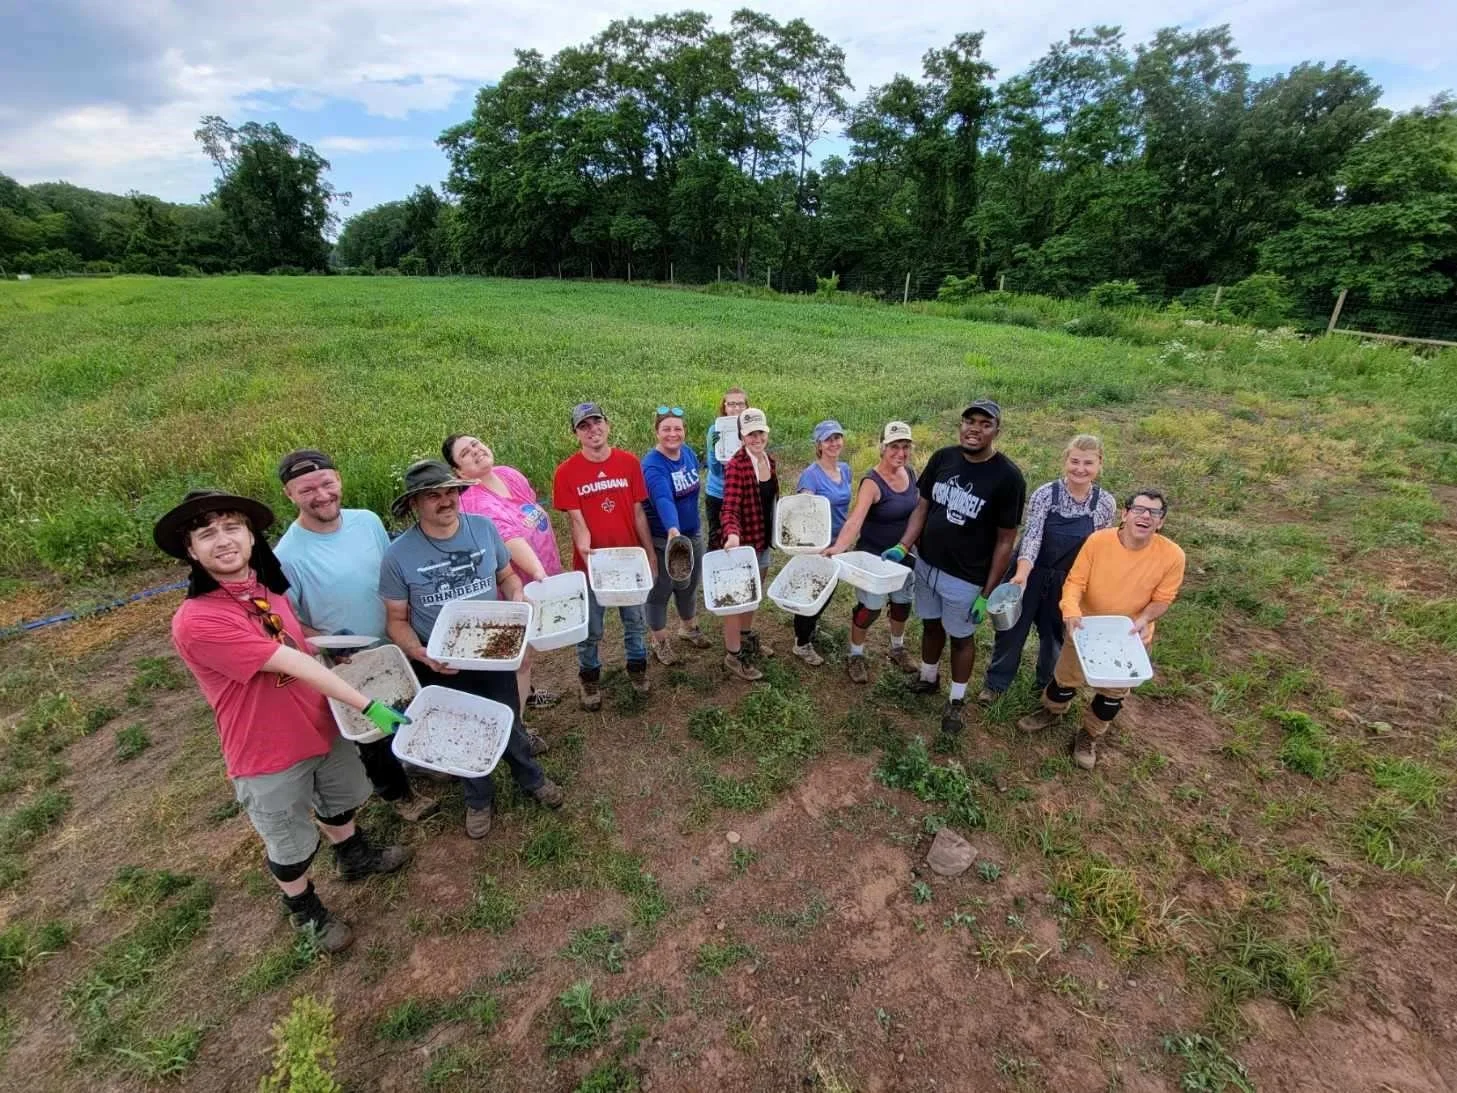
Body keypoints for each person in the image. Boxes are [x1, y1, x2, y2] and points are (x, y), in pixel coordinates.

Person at [158, 488, 413, 953]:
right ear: (190, 551)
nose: (223, 540)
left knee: (342, 798)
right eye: (207, 533)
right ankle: (303, 907)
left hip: (319, 723)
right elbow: (287, 663)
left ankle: (353, 854)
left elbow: (296, 646)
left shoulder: (265, 591)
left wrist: (329, 648)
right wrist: (368, 704)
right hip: (267, 750)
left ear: (252, 537)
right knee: (290, 842)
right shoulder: (198, 620)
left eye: (233, 527)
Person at [379, 461, 564, 839]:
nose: (446, 501)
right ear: (415, 503)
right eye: (434, 495)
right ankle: (478, 798)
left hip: (494, 645)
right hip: (440, 656)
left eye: (450, 492)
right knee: (460, 728)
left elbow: (507, 576)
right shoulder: (399, 555)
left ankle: (530, 777)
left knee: (507, 716)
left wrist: (517, 598)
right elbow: (396, 620)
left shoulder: (483, 529)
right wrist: (420, 653)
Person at [274, 448, 438, 824]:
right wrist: (325, 643)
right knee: (373, 734)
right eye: (306, 489)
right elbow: (288, 624)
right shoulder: (286, 556)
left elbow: (392, 575)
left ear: (339, 480)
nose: (321, 495)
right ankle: (398, 793)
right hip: (350, 661)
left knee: (412, 704)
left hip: (398, 640)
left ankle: (416, 760)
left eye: (327, 483)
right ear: (289, 495)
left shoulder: (366, 522)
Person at [1017, 490, 1186, 770]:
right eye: (1139, 509)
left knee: (1112, 696)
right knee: (1063, 681)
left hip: (1129, 634)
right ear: (1125, 514)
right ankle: (1052, 711)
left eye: (1154, 513)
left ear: (1161, 522)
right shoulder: (1098, 541)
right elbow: (1075, 581)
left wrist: (1144, 619)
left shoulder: (1173, 556)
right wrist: (1070, 609)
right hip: (1086, 626)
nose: (1145, 516)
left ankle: (1089, 735)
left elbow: (1162, 600)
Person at [891, 399, 1026, 736]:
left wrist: (987, 592)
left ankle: (956, 700)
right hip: (927, 565)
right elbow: (923, 507)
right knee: (931, 626)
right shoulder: (943, 458)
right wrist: (904, 545)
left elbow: (1006, 540)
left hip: (966, 579)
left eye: (985, 424)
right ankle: (928, 677)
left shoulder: (1008, 478)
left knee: (962, 639)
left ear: (997, 430)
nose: (974, 429)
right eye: (969, 421)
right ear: (960, 424)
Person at [979, 435, 1117, 704]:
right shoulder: (1046, 494)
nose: (1080, 468)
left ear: (1099, 464)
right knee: (1011, 632)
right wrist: (1021, 574)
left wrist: (1087, 589)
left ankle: (1045, 684)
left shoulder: (1104, 504)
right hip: (1032, 571)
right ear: (1065, 460)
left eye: (1088, 463)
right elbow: (1032, 537)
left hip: (1069, 581)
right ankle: (996, 683)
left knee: (1054, 636)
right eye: (1074, 461)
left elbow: (1096, 550)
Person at [443, 432, 564, 712]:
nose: (475, 451)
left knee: (529, 648)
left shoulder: (508, 474)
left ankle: (528, 693)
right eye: (465, 453)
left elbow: (531, 508)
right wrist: (541, 575)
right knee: (519, 656)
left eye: (475, 444)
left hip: (538, 576)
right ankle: (518, 725)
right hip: (515, 586)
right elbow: (510, 542)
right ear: (458, 470)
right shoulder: (473, 501)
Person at [551, 402, 658, 709]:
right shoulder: (566, 472)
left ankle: (637, 669)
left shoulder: (628, 463)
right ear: (576, 434)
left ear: (607, 425)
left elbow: (639, 512)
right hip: (592, 564)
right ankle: (589, 679)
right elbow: (576, 518)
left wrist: (649, 553)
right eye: (584, 426)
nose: (592, 429)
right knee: (591, 629)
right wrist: (585, 547)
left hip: (628, 559)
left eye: (596, 422)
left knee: (635, 621)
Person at [825, 421, 919, 683]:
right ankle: (855, 654)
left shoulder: (910, 473)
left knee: (902, 604)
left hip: (905, 557)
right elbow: (855, 520)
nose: (900, 453)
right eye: (894, 447)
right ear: (882, 447)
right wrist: (838, 548)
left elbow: (918, 512)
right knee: (870, 609)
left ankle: (897, 648)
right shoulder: (872, 482)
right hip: (874, 559)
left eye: (905, 447)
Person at [641, 405, 711, 665]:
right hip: (665, 540)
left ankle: (688, 627)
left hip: (692, 534)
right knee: (661, 592)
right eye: (666, 429)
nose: (673, 434)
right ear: (657, 432)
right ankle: (659, 641)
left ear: (684, 431)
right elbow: (662, 498)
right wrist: (672, 529)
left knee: (690, 584)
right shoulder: (652, 465)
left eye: (677, 428)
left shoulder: (689, 454)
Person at [719, 407, 779, 681]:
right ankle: (733, 656)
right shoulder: (736, 465)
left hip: (763, 541)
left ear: (766, 433)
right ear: (742, 437)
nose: (756, 439)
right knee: (738, 599)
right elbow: (729, 508)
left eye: (760, 433)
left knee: (754, 595)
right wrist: (731, 534)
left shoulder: (770, 461)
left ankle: (745, 638)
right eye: (750, 434)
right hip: (742, 546)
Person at [789, 420, 852, 666]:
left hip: (838, 542)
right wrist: (806, 501)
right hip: (818, 546)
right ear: (819, 444)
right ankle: (801, 643)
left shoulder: (845, 469)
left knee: (828, 591)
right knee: (811, 592)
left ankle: (811, 628)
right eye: (828, 439)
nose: (834, 443)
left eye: (837, 437)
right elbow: (802, 506)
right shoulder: (811, 475)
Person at [705, 387, 748, 550]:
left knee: (739, 536)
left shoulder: (750, 431)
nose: (736, 408)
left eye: (740, 404)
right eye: (731, 404)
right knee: (717, 538)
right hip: (718, 492)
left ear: (746, 406)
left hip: (740, 493)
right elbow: (715, 470)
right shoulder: (715, 430)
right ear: (724, 406)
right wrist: (713, 449)